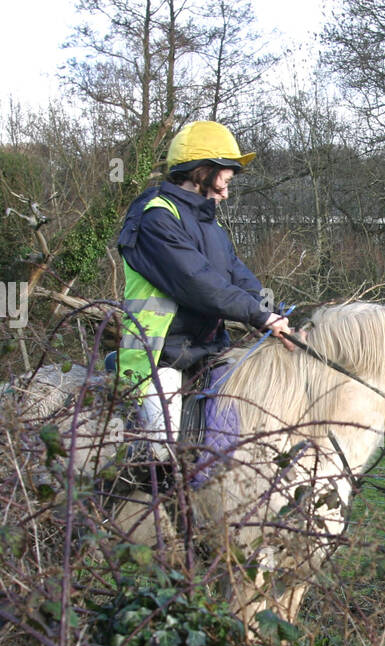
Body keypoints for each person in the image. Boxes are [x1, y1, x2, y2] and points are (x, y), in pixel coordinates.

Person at [116, 120, 292, 458]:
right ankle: (132, 501)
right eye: (224, 182)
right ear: (201, 173)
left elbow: (239, 278)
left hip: (208, 353)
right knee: (163, 449)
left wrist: (277, 314)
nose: (226, 193)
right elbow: (199, 283)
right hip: (159, 358)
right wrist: (259, 317)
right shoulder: (157, 218)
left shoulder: (210, 226)